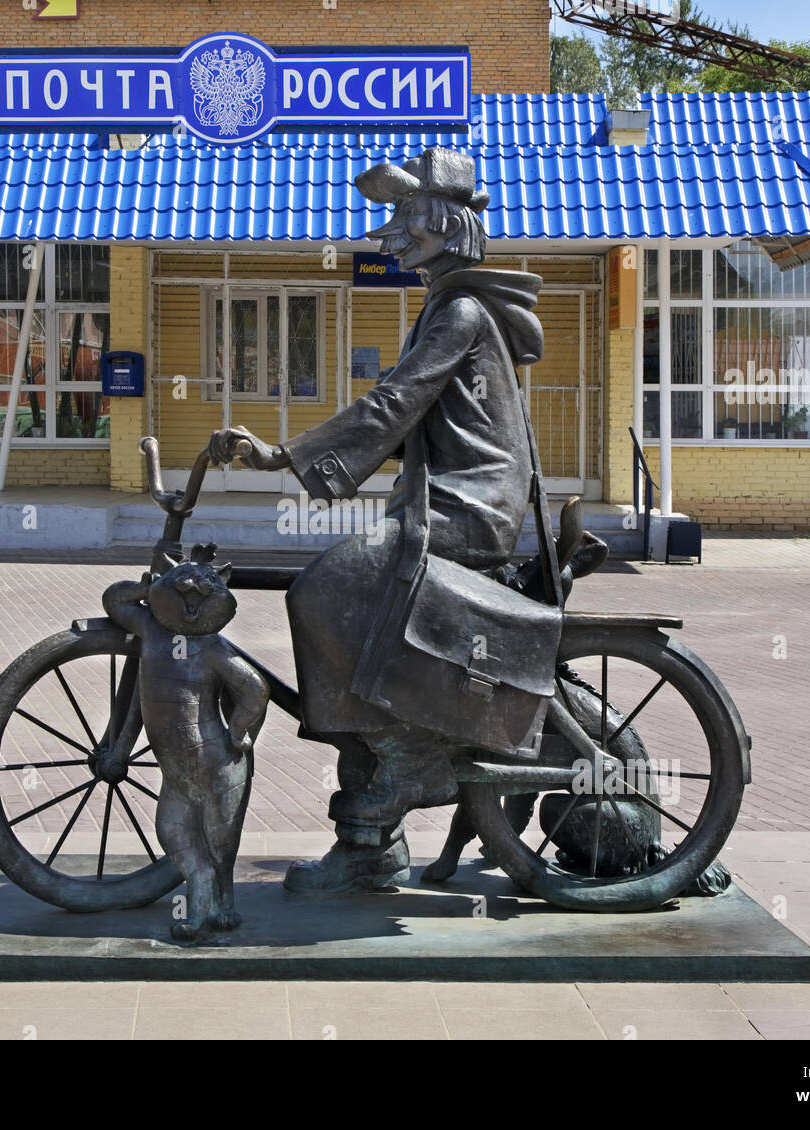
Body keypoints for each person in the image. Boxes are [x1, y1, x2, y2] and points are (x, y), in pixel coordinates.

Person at [209, 147, 544, 890]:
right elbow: (406, 411)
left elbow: (394, 403)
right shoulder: (448, 304)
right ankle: (372, 834)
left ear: (444, 225)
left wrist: (285, 459)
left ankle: (406, 765)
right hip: (452, 497)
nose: (390, 233)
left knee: (324, 592)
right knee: (347, 600)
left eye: (403, 217)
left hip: (469, 507)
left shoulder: (458, 310)